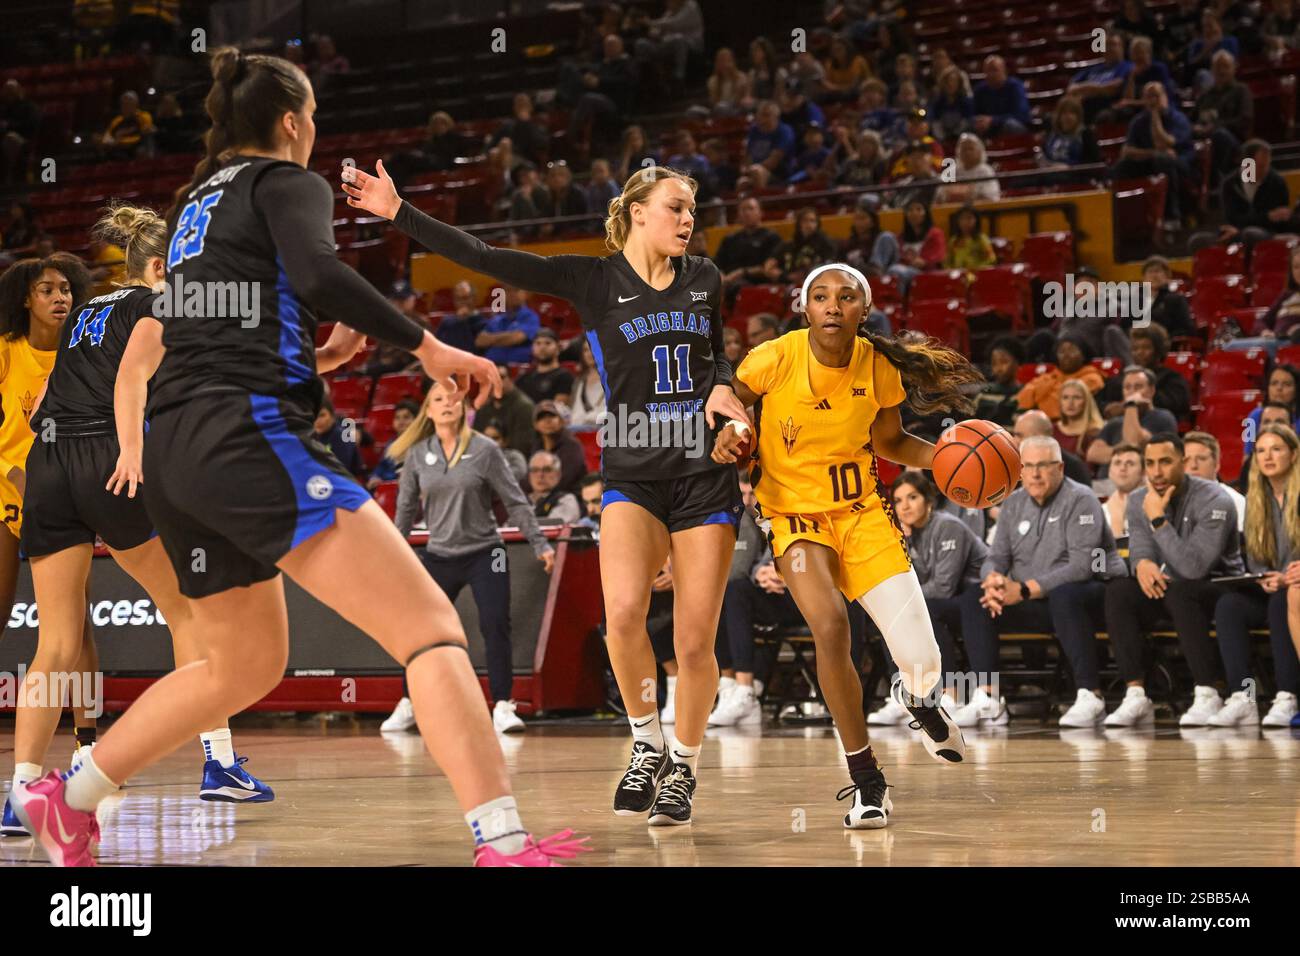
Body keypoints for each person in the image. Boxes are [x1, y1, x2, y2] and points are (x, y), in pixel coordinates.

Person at [10, 48, 586, 869]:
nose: (313, 130)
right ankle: (504, 842)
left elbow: (196, 332)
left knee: (242, 663)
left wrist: (309, 356)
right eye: (310, 116)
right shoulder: (288, 182)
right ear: (291, 122)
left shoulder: (194, 206)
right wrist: (425, 346)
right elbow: (319, 270)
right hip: (249, 434)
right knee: (429, 634)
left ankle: (67, 801)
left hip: (179, 453)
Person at [345, 158, 751, 826]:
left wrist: (725, 389)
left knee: (694, 641)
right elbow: (485, 255)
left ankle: (684, 766)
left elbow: (716, 357)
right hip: (631, 471)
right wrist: (400, 214)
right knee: (621, 613)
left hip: (703, 473)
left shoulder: (704, 277)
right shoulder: (592, 279)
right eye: (676, 207)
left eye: (693, 212)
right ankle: (646, 744)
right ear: (638, 211)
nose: (687, 220)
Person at [713, 262, 982, 828]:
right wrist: (733, 435)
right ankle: (866, 781)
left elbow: (889, 441)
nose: (833, 305)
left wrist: (946, 458)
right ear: (803, 308)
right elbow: (729, 409)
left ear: (864, 310)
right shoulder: (773, 358)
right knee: (832, 626)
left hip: (862, 517)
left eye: (846, 296)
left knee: (923, 662)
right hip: (794, 519)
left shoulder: (880, 367)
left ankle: (920, 701)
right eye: (821, 296)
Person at [386, 382, 556, 735]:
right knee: (419, 628)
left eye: (453, 398)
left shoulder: (485, 450)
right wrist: (393, 557)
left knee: (495, 623)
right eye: (438, 399)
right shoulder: (418, 454)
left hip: (485, 552)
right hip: (438, 553)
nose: (447, 403)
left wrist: (540, 543)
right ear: (428, 411)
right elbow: (403, 511)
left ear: (463, 407)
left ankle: (503, 706)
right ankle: (409, 701)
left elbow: (514, 501)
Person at [958, 436, 1127, 727]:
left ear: (1060, 467)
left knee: (1066, 595)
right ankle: (988, 698)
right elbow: (996, 556)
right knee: (975, 598)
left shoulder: (1081, 499)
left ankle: (1091, 695)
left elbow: (1081, 566)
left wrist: (1023, 590)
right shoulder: (1013, 503)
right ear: (1019, 470)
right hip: (1036, 602)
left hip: (1092, 597)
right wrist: (994, 580)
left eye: (1043, 466)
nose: (1035, 474)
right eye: (1028, 466)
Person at [1102, 433, 1244, 727]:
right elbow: (1140, 548)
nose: (1156, 472)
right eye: (1150, 463)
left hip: (1219, 588)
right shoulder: (1140, 497)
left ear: (1183, 462)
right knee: (1119, 592)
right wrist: (1142, 564)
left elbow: (1194, 568)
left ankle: (1208, 691)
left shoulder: (1216, 499)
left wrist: (1158, 519)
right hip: (1170, 587)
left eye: (1165, 462)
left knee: (1182, 590)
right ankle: (1136, 693)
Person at [869, 471, 987, 724]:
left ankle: (950, 694)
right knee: (889, 617)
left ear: (928, 499)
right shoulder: (900, 534)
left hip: (976, 602)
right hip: (941, 601)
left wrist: (903, 599)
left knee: (926, 612)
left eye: (912, 497)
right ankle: (904, 696)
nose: (905, 506)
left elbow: (944, 586)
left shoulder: (949, 526)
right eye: (898, 501)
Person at [1211, 424, 1300, 727]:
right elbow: (1256, 561)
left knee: (1280, 602)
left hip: (1295, 590)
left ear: (1294, 454)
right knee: (1229, 606)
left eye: (1276, 449)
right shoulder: (1255, 501)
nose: (1268, 457)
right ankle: (1243, 697)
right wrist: (1264, 577)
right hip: (1274, 585)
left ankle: (1287, 696)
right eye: (1261, 450)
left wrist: (1284, 579)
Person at [706, 470, 777, 726]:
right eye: (742, 494)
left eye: (752, 494)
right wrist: (763, 573)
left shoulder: (766, 516)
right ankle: (732, 686)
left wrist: (783, 573)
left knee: (733, 587)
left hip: (803, 595)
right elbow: (759, 563)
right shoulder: (729, 516)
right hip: (770, 593)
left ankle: (743, 689)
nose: (747, 501)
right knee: (723, 592)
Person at [1110, 82, 1195, 229]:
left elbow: (1164, 143)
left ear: (1165, 97)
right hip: (1151, 160)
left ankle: (1171, 217)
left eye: (1156, 96)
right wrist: (1153, 153)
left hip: (1181, 164)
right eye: (1148, 97)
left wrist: (1155, 116)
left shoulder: (1178, 118)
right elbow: (1126, 151)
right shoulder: (1138, 121)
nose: (1152, 101)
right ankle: (1121, 217)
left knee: (1163, 160)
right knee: (1121, 166)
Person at [1088, 367, 1180, 472]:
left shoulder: (1162, 417)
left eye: (1138, 387)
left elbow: (1133, 442)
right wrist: (1122, 449)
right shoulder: (1115, 422)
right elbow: (1093, 454)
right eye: (1127, 387)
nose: (1132, 392)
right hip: (1106, 482)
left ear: (1151, 390)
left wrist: (1131, 405)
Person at [1097, 324, 1190, 420]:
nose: (1139, 352)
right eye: (1135, 348)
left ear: (1158, 350)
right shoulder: (1122, 378)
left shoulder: (1171, 378)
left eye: (1146, 348)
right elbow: (1098, 402)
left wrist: (1131, 405)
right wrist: (1107, 408)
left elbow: (1176, 404)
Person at [1017, 334, 1105, 422]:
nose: (1066, 355)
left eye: (1072, 350)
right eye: (1061, 351)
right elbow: (1022, 400)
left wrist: (1039, 399)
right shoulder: (1048, 377)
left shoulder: (1092, 379)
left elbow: (1060, 407)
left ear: (1083, 355)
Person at [715, 196, 783, 298]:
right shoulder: (730, 239)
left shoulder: (771, 237)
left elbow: (769, 268)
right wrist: (721, 276)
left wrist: (741, 273)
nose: (747, 213)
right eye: (743, 210)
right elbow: (718, 264)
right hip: (728, 282)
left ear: (760, 212)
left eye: (751, 209)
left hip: (754, 284)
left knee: (738, 287)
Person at [1183, 430, 1246, 531]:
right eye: (1186, 460)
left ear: (1216, 464)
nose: (1193, 466)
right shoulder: (1171, 502)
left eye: (1201, 459)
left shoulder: (1235, 501)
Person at [474, 285, 538, 366]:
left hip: (517, 369)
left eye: (516, 290)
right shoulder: (497, 319)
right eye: (508, 290)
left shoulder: (530, 317)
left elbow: (516, 338)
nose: (512, 294)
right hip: (492, 366)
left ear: (526, 294)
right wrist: (507, 338)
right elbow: (480, 341)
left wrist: (491, 340)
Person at [531, 399, 586, 494]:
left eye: (552, 416)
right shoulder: (536, 447)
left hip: (568, 496)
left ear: (561, 421)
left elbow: (566, 479)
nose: (547, 421)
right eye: (542, 418)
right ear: (535, 425)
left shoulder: (572, 446)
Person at [971, 55, 1031, 136]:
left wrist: (993, 120)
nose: (990, 74)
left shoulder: (1015, 86)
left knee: (1010, 125)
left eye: (994, 70)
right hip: (988, 129)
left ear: (1004, 70)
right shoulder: (980, 89)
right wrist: (979, 121)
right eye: (987, 71)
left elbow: (1021, 116)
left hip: (1009, 126)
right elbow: (974, 113)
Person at [515, 327, 573, 406]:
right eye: (538, 343)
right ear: (532, 348)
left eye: (548, 343)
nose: (542, 347)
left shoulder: (564, 377)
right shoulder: (524, 378)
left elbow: (559, 409)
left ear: (558, 348)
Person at [935, 133, 1000, 205]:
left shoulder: (986, 171)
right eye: (964, 149)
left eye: (970, 149)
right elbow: (939, 197)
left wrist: (965, 195)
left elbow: (992, 199)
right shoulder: (951, 171)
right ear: (958, 152)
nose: (967, 152)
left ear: (979, 151)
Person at [368, 399, 420, 488]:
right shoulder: (391, 444)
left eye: (406, 417)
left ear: (416, 420)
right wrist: (374, 477)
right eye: (397, 417)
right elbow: (381, 466)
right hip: (388, 486)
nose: (401, 421)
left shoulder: (422, 444)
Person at [973, 335, 1023, 427]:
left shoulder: (1026, 393)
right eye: (994, 363)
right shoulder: (983, 394)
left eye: (1004, 362)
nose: (998, 368)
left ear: (1017, 362)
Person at [1053, 377, 1104, 461]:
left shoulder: (1094, 432)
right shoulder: (1052, 430)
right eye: (1065, 397)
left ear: (1086, 402)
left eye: (1077, 397)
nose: (1070, 403)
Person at [527, 450, 582, 524]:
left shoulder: (566, 500)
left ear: (558, 474)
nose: (540, 475)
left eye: (547, 470)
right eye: (535, 470)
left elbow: (551, 527)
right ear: (529, 475)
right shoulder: (523, 501)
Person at [1104, 443, 1146, 539]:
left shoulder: (1152, 507)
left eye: (1130, 463)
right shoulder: (1099, 511)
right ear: (1109, 471)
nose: (1123, 468)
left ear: (1143, 472)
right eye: (1117, 463)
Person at [943, 203, 995, 274]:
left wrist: (977, 269)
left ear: (976, 220)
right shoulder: (954, 240)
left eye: (969, 218)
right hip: (957, 275)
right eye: (962, 218)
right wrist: (950, 271)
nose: (965, 222)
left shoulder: (981, 239)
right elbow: (947, 262)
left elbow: (991, 259)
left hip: (977, 275)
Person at [568, 336, 607, 430]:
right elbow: (574, 410)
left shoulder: (614, 379)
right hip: (576, 429)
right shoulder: (579, 381)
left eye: (594, 349)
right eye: (586, 350)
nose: (590, 353)